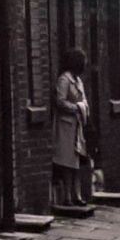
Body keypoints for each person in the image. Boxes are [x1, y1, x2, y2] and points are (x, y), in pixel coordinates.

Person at [52, 48, 90, 207]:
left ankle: (77, 194)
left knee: (77, 161)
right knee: (68, 162)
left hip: (77, 126)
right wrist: (76, 108)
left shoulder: (78, 80)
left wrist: (83, 107)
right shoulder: (64, 79)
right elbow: (60, 101)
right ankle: (68, 196)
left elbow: (84, 99)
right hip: (66, 126)